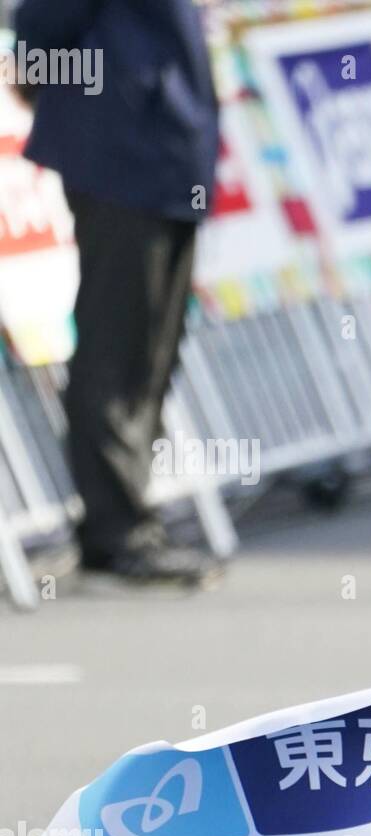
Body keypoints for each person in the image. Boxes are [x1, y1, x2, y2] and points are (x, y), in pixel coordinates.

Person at [15, 0, 222, 585]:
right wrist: (52, 81)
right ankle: (117, 529)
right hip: (121, 147)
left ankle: (127, 517)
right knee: (119, 342)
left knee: (153, 344)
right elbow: (42, 25)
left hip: (168, 147)